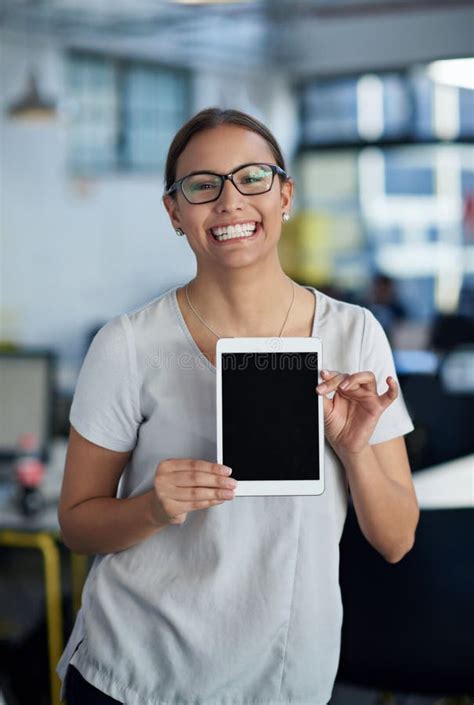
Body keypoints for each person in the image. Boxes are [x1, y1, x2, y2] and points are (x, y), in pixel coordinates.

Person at [56, 107, 419, 705]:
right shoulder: (127, 344)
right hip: (134, 675)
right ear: (175, 212)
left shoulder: (354, 335)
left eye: (252, 177)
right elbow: (76, 523)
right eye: (202, 186)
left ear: (285, 195)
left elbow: (396, 539)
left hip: (281, 679)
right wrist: (150, 509)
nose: (230, 202)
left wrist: (353, 451)